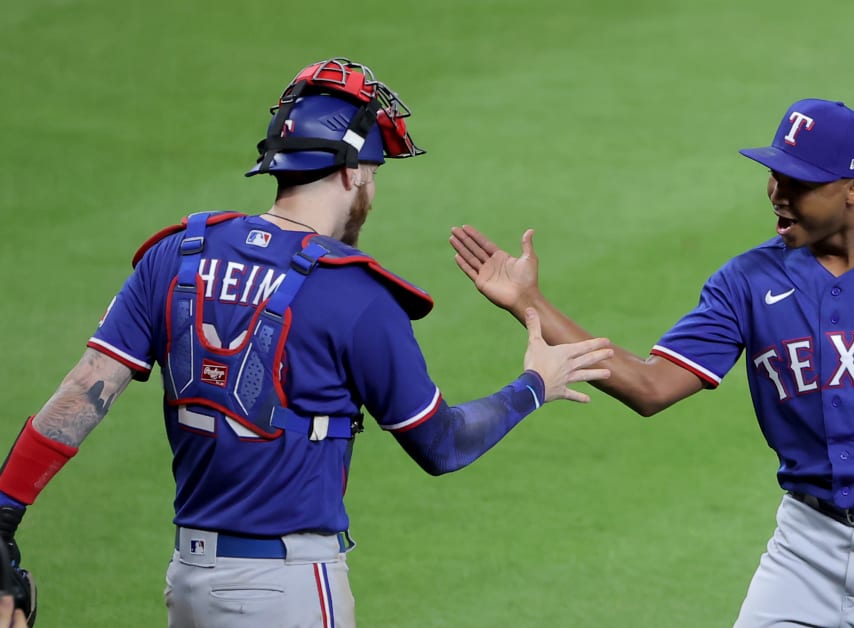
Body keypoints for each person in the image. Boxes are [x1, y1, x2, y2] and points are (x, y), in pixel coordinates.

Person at [0, 57, 612, 628]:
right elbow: (440, 444)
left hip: (188, 582)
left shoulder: (175, 256)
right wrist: (536, 383)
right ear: (352, 173)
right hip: (286, 588)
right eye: (372, 172)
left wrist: (4, 515)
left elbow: (83, 392)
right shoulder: (355, 294)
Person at [450, 98, 854, 627]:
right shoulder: (747, 281)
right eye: (774, 174)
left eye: (797, 183)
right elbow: (650, 386)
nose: (776, 192)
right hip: (806, 543)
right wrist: (530, 304)